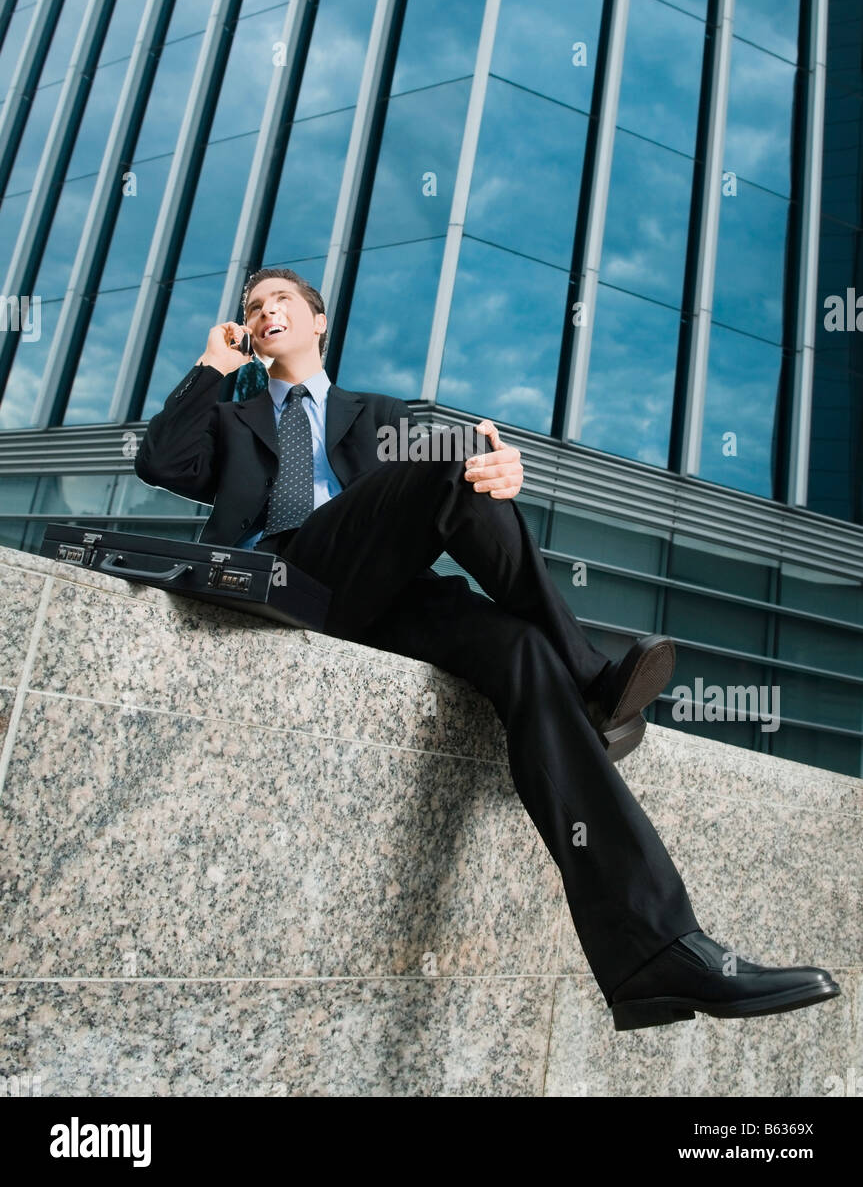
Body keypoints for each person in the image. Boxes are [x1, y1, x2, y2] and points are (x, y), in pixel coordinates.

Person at [134, 267, 841, 1032]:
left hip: (381, 598)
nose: (265, 311)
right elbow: (161, 464)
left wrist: (494, 477)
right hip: (281, 574)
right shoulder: (233, 420)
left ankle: (656, 949)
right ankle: (594, 676)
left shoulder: (377, 415)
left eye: (281, 302)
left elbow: (428, 498)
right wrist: (214, 364)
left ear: (319, 321)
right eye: (251, 308)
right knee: (457, 450)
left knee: (519, 649)